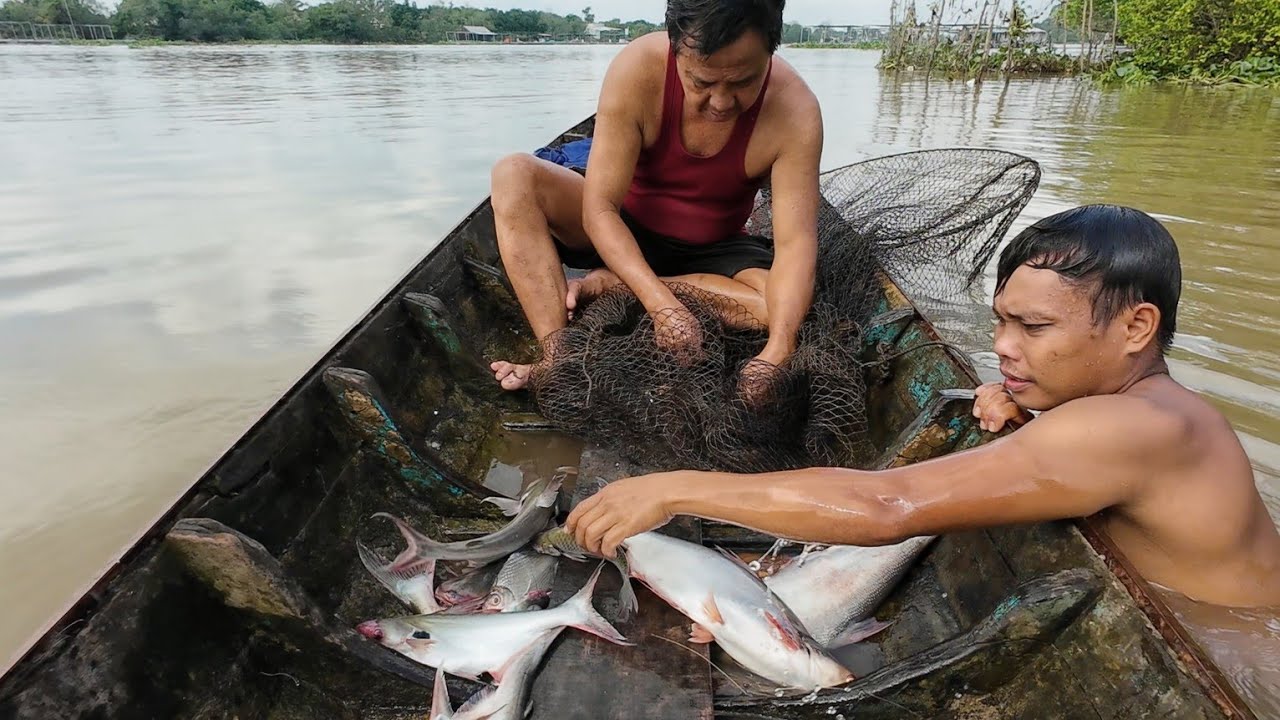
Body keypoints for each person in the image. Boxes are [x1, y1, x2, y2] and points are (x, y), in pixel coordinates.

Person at [565, 204, 1280, 609]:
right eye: (1001, 321)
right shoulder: (1144, 412)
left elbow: (888, 506)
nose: (1002, 348)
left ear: (1136, 327)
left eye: (1034, 328)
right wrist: (1038, 415)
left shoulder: (1135, 427)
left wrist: (674, 489)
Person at [488, 0, 822, 391]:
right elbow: (600, 210)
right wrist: (661, 305)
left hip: (716, 248)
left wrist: (778, 350)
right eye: (701, 83)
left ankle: (614, 285)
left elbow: (796, 244)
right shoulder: (637, 69)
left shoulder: (796, 111)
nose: (720, 103)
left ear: (771, 50)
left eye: (742, 82)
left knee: (775, 310)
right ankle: (559, 358)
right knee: (513, 174)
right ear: (674, 47)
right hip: (623, 226)